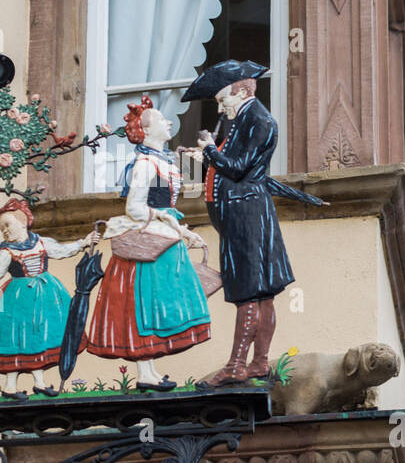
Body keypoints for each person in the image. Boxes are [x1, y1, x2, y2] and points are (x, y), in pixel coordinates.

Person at [180, 60, 327, 385]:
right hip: (244, 216)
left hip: (247, 218)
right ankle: (257, 363)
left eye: (222, 100)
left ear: (243, 90)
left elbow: (239, 168)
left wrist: (209, 153)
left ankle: (237, 366)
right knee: (260, 294)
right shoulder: (241, 121)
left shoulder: (259, 121)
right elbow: (256, 176)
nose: (220, 108)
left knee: (251, 293)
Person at [86, 95, 211, 387]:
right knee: (145, 305)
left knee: (161, 304)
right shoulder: (143, 163)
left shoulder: (166, 160)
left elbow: (181, 196)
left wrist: (182, 229)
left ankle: (150, 371)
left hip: (166, 241)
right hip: (149, 244)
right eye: (160, 119)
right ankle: (144, 372)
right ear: (147, 130)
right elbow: (134, 208)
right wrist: (167, 220)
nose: (169, 121)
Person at [0, 199, 97, 397]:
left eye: (8, 225)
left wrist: (83, 242)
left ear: (24, 222)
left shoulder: (41, 243)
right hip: (15, 299)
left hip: (46, 295)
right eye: (2, 229)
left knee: (39, 337)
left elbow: (62, 250)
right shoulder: (7, 252)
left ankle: (40, 382)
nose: (5, 231)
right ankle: (10, 386)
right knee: (15, 338)